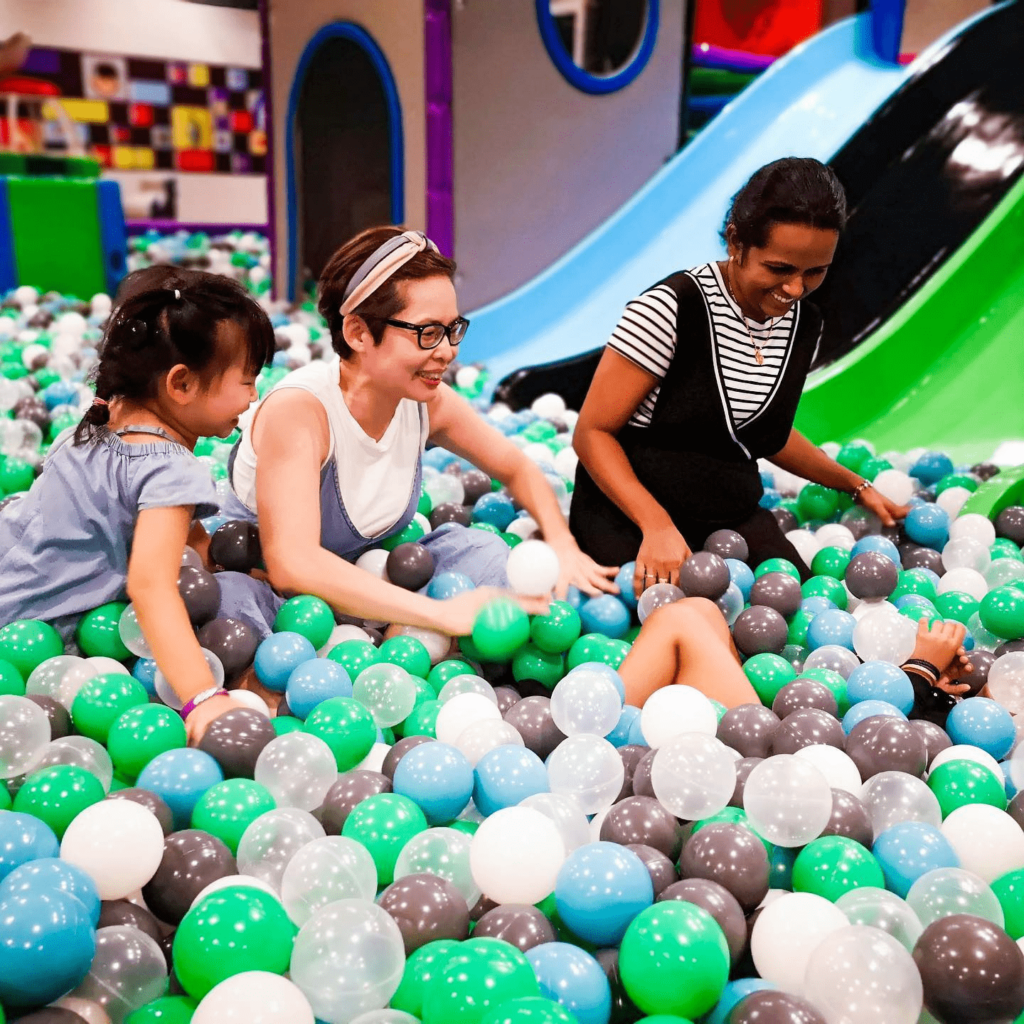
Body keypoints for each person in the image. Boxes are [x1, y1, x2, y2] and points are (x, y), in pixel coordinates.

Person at [223, 226, 617, 637]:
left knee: (485, 552)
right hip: (274, 592)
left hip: (374, 573)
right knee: (231, 606)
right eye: (427, 333)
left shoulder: (426, 402)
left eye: (453, 329)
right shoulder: (302, 411)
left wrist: (564, 546)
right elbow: (292, 564)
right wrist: (441, 615)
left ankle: (396, 630)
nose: (447, 350)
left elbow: (517, 467)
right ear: (358, 333)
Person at [570, 157, 908, 596]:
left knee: (802, 608)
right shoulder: (671, 309)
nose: (795, 289)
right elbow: (592, 432)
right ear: (736, 242)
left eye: (815, 272)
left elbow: (763, 431)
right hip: (631, 516)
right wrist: (656, 525)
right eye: (780, 268)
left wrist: (854, 484)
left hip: (728, 515)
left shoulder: (803, 322)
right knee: (669, 627)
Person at [0, 268, 279, 740]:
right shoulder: (170, 469)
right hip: (38, 637)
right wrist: (201, 697)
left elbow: (183, 538)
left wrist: (221, 559)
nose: (253, 398)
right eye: (247, 381)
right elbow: (150, 585)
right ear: (181, 384)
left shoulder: (86, 428)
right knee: (240, 604)